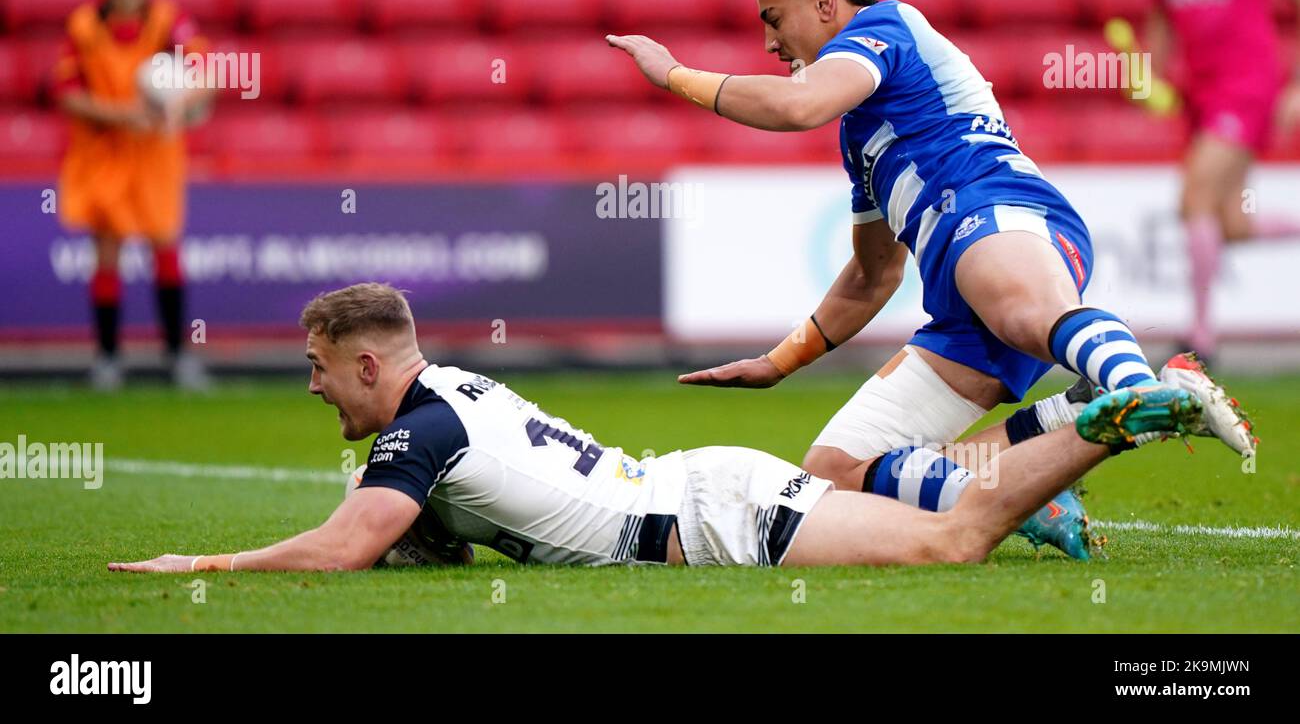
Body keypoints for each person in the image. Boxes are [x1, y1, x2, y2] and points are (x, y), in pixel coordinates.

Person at [605, 0, 1255, 522]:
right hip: (957, 297)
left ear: (824, 1)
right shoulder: (859, 134)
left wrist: (674, 76)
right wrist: (779, 363)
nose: (770, 39)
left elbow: (795, 106)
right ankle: (1063, 456)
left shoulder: (886, 28)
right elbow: (871, 277)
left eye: (775, 17)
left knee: (1020, 311)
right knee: (836, 470)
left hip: (997, 210)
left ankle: (1145, 389)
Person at [108, 283, 1227, 575]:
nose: (312, 389)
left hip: (713, 517)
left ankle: (1121, 411)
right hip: (697, 491)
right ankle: (1079, 426)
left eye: (317, 370)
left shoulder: (418, 431)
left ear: (367, 364)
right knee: (893, 487)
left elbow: (349, 542)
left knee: (951, 539)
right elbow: (433, 523)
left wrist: (209, 560)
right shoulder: (445, 385)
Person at [1142, 0, 1300, 361]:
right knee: (1230, 223)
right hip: (1199, 94)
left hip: (1249, 88)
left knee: (1194, 200)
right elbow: (1163, 11)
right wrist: (1153, 69)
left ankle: (1202, 338)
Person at [54, 0, 215, 390]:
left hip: (156, 154)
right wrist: (123, 115)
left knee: (165, 245)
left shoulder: (170, 20)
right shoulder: (83, 26)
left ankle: (177, 356)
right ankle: (108, 359)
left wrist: (179, 105)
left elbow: (205, 74)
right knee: (106, 250)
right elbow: (68, 94)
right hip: (103, 153)